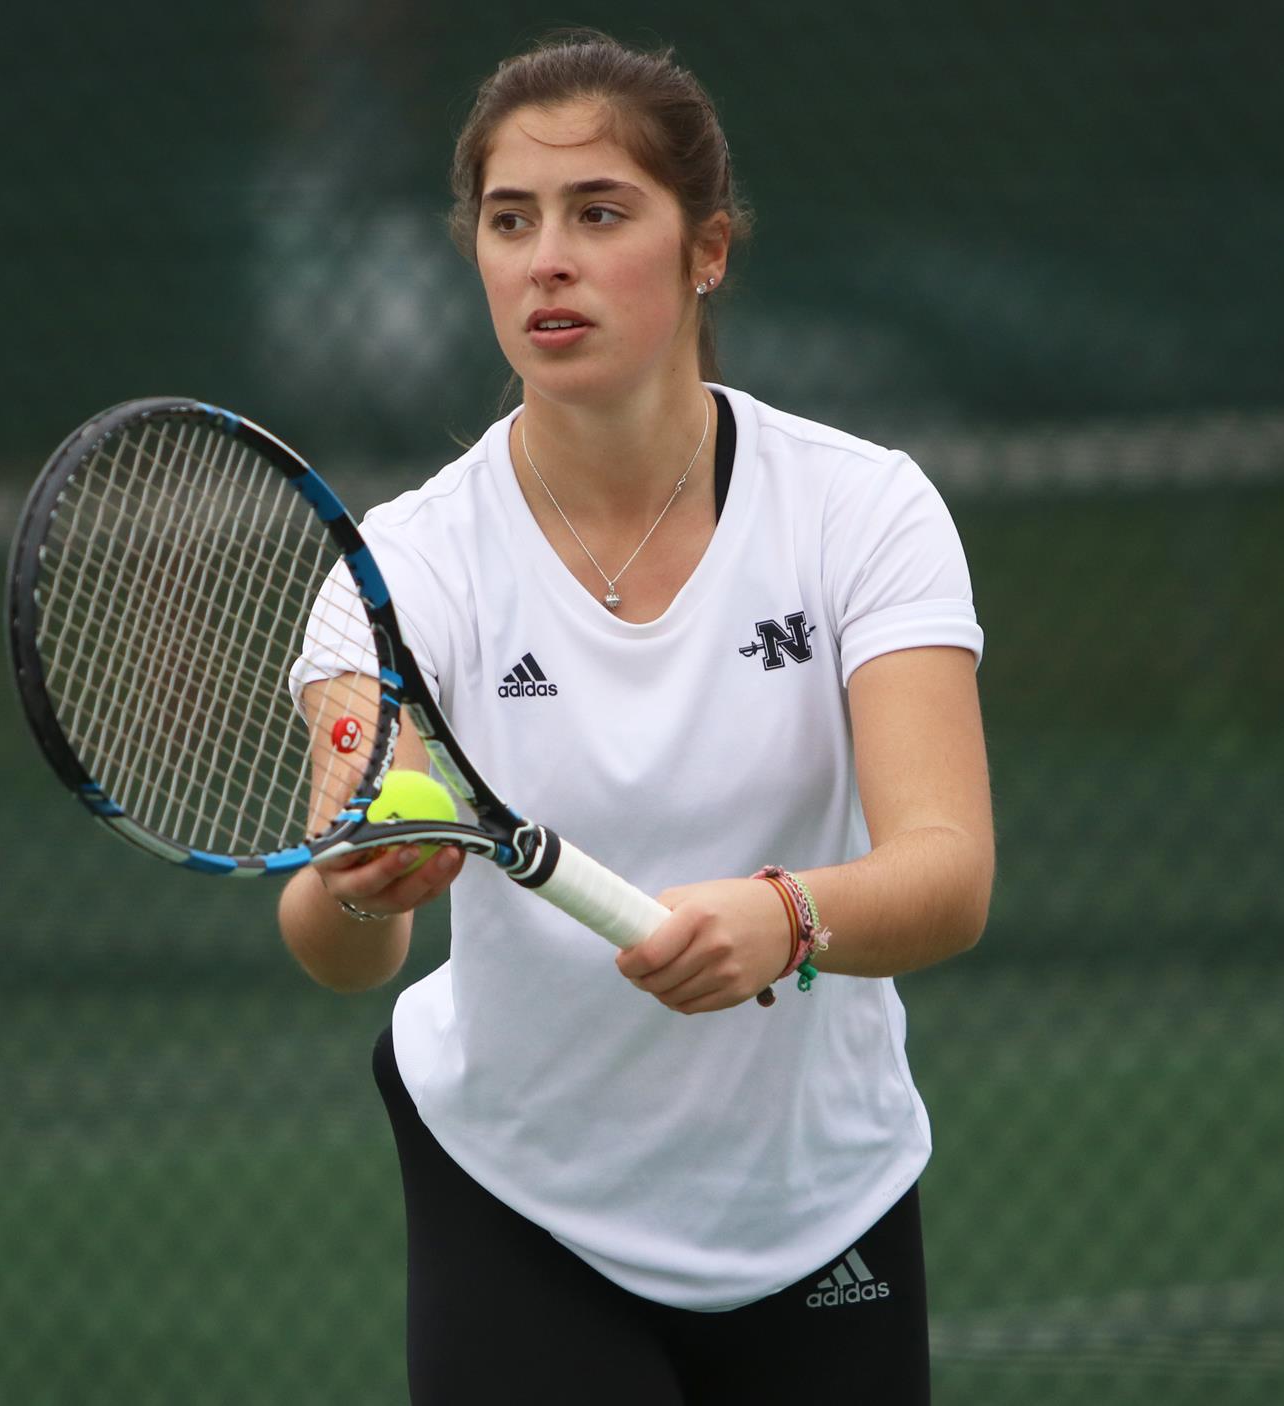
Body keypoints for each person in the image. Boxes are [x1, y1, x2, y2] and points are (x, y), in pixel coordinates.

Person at [275, 31, 993, 1405]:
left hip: (820, 1201)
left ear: (704, 247)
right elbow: (341, 942)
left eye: (599, 212)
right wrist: (364, 883)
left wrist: (787, 915)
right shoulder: (404, 569)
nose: (549, 257)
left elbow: (946, 873)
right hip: (521, 1204)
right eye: (509, 220)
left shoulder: (865, 511)